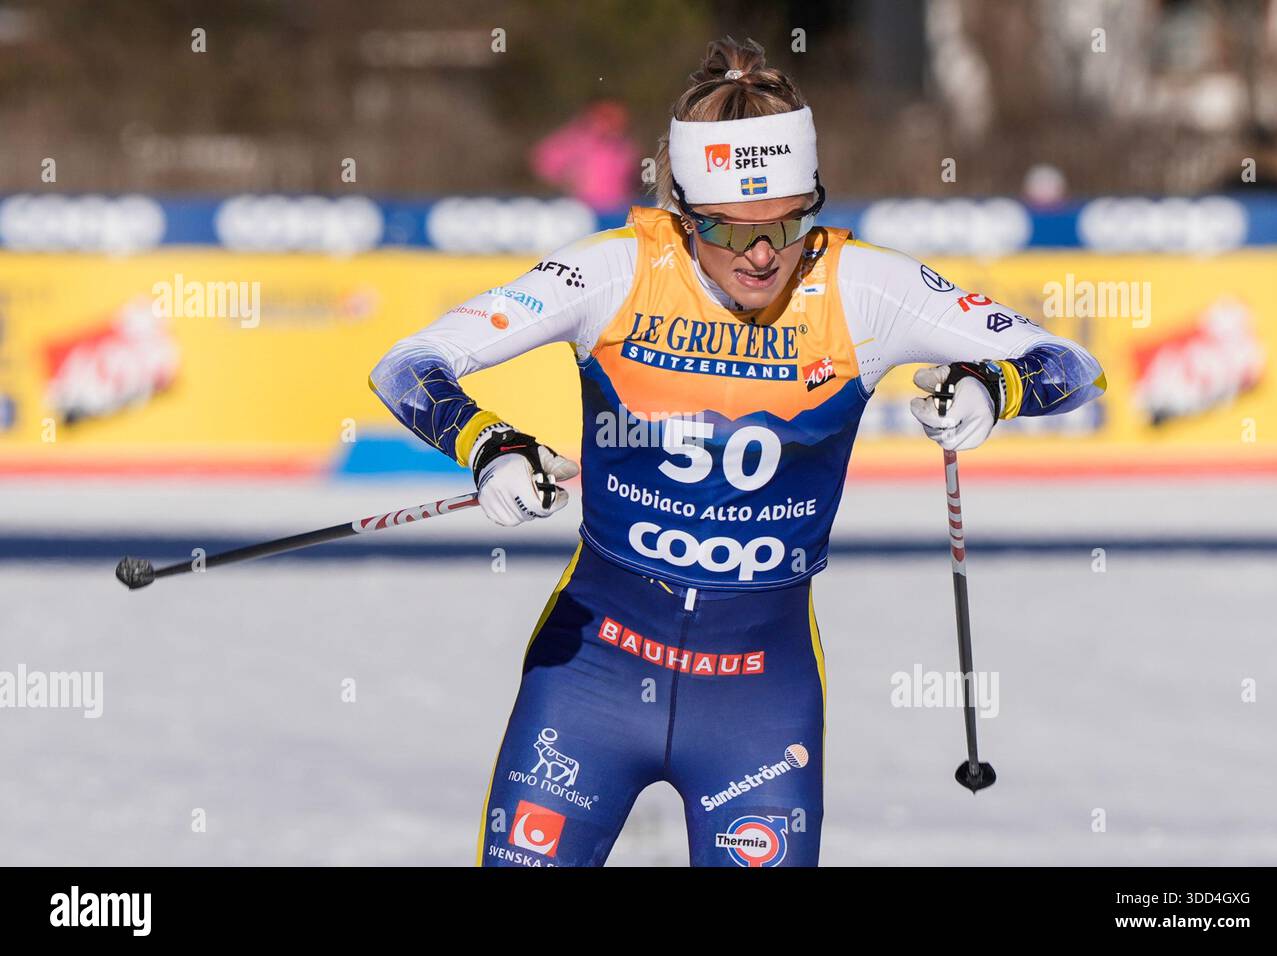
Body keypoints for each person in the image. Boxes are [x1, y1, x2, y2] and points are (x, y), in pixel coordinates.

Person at [369, 37, 1106, 868]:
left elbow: (1073, 364)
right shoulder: (614, 274)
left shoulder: (863, 288)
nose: (764, 254)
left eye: (791, 221)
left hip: (757, 703)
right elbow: (407, 365)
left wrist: (991, 387)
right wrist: (487, 444)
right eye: (729, 228)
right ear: (682, 210)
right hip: (591, 679)